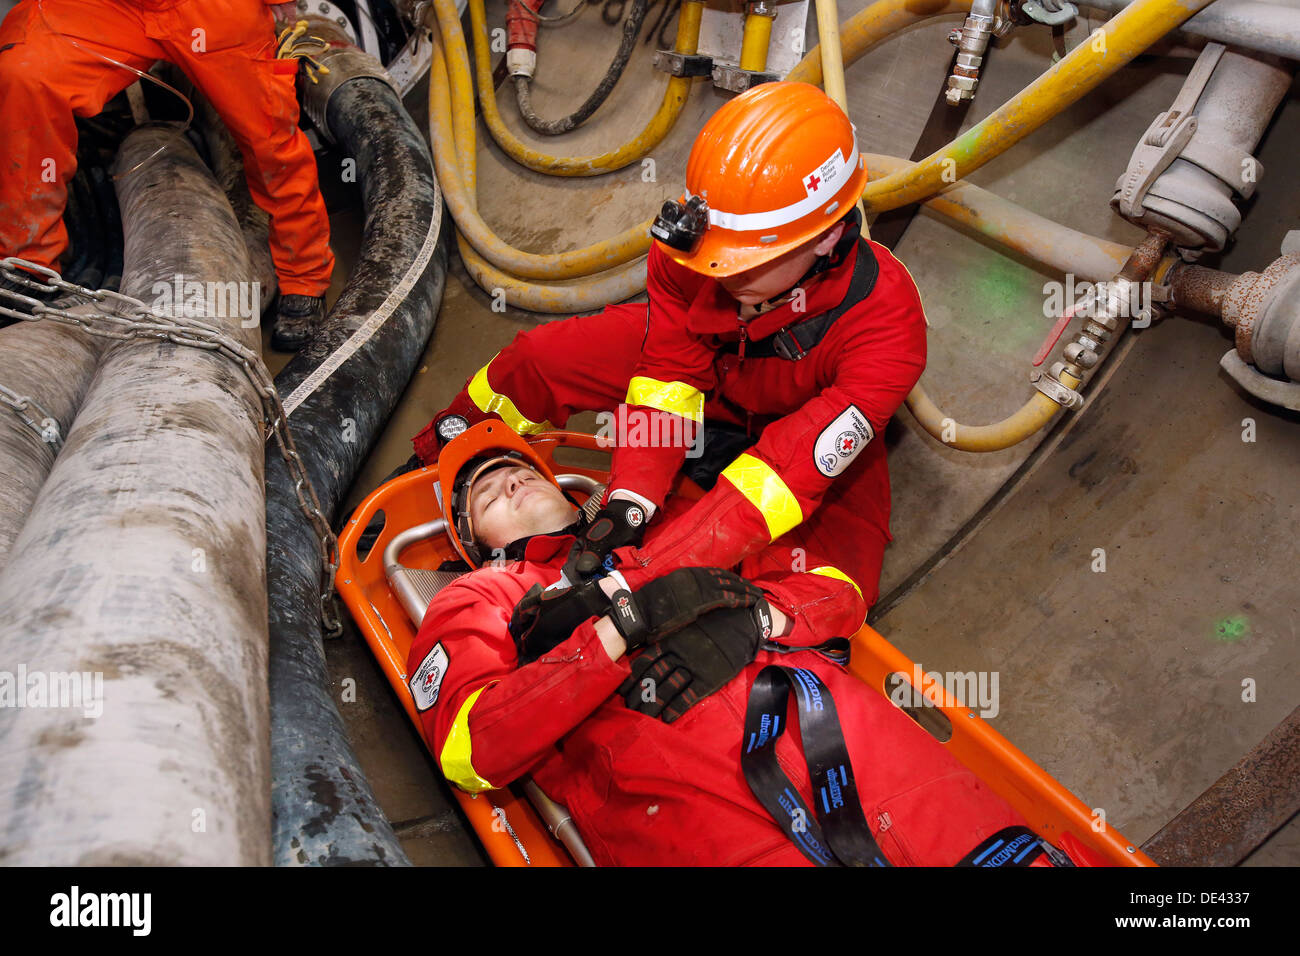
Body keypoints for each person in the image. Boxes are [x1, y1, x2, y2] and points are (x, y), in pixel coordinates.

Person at [407, 422, 1100, 866]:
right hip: (680, 798)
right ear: (474, 548)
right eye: (487, 494)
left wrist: (756, 617)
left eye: (520, 468)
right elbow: (472, 749)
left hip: (839, 734)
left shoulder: (672, 522)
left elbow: (837, 592)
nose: (512, 479)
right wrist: (611, 637)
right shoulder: (479, 601)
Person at [413, 81, 928, 611]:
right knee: (540, 361)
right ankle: (439, 465)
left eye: (743, 264)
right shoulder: (692, 249)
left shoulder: (888, 333)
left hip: (803, 418)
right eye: (713, 256)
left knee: (830, 585)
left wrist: (644, 577)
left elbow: (784, 474)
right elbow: (668, 377)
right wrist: (631, 502)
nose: (721, 277)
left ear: (825, 239)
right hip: (713, 369)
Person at [0, 0, 333, 350]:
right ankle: (28, 266)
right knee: (24, 75)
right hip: (104, 7)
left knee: (269, 137)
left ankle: (305, 275)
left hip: (210, 10)